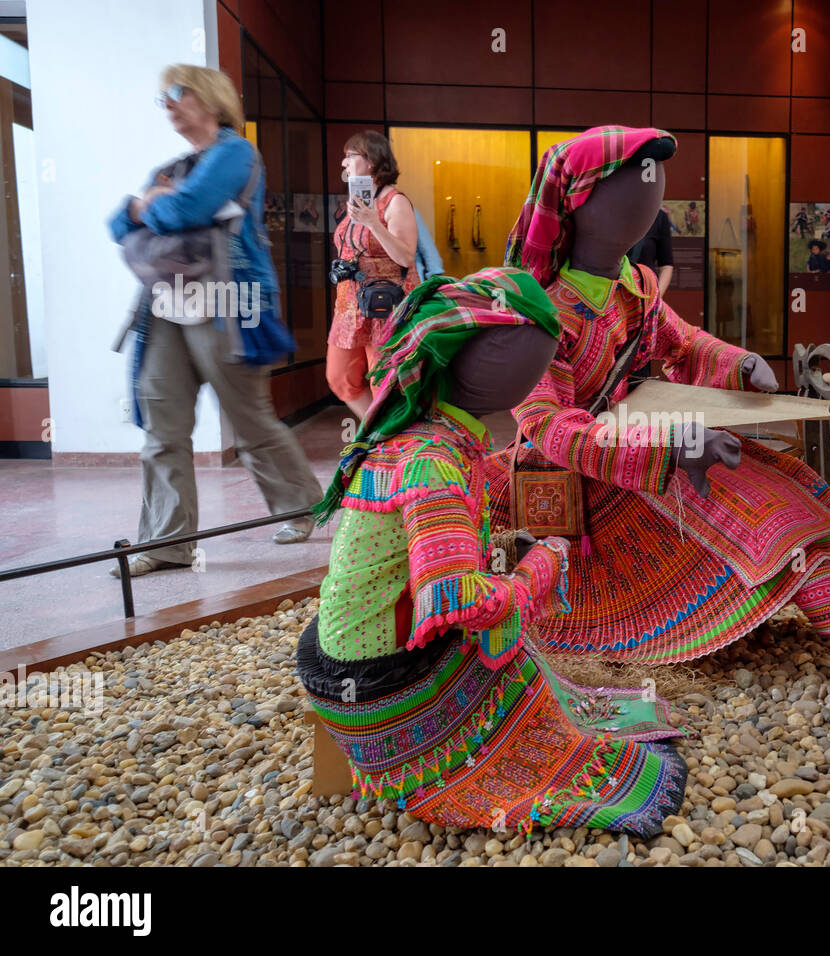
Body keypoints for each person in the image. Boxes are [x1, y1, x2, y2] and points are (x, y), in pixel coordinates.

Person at [486, 125, 830, 687]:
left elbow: (683, 342)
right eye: (634, 191)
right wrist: (670, 448)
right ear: (580, 205)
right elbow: (550, 429)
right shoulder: (540, 314)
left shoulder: (636, 285)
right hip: (589, 480)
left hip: (646, 441)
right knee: (762, 524)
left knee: (798, 487)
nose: (648, 204)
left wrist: (739, 363)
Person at [300, 266, 685, 836]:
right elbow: (457, 598)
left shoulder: (418, 435)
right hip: (375, 677)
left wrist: (509, 551)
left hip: (337, 653)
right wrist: (540, 568)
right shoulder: (432, 459)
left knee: (518, 649)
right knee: (513, 656)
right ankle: (489, 762)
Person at [108, 65, 322, 576]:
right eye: (162, 98)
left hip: (232, 300)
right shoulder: (172, 167)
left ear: (209, 97)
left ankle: (302, 506)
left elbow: (187, 209)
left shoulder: (236, 153)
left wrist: (152, 206)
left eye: (177, 93)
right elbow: (120, 222)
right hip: (164, 306)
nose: (169, 104)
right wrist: (145, 204)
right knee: (162, 425)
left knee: (248, 419)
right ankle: (165, 544)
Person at [326, 131, 419, 418]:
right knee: (340, 377)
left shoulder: (394, 202)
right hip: (349, 307)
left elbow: (405, 256)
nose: (344, 163)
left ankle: (390, 445)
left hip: (385, 305)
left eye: (350, 156)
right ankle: (377, 432)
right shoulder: (354, 202)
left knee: (386, 382)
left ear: (371, 161)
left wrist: (373, 223)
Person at [630, 206, 674, 294]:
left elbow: (666, 265)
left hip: (645, 295)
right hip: (609, 297)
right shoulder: (608, 213)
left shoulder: (659, 216)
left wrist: (656, 299)